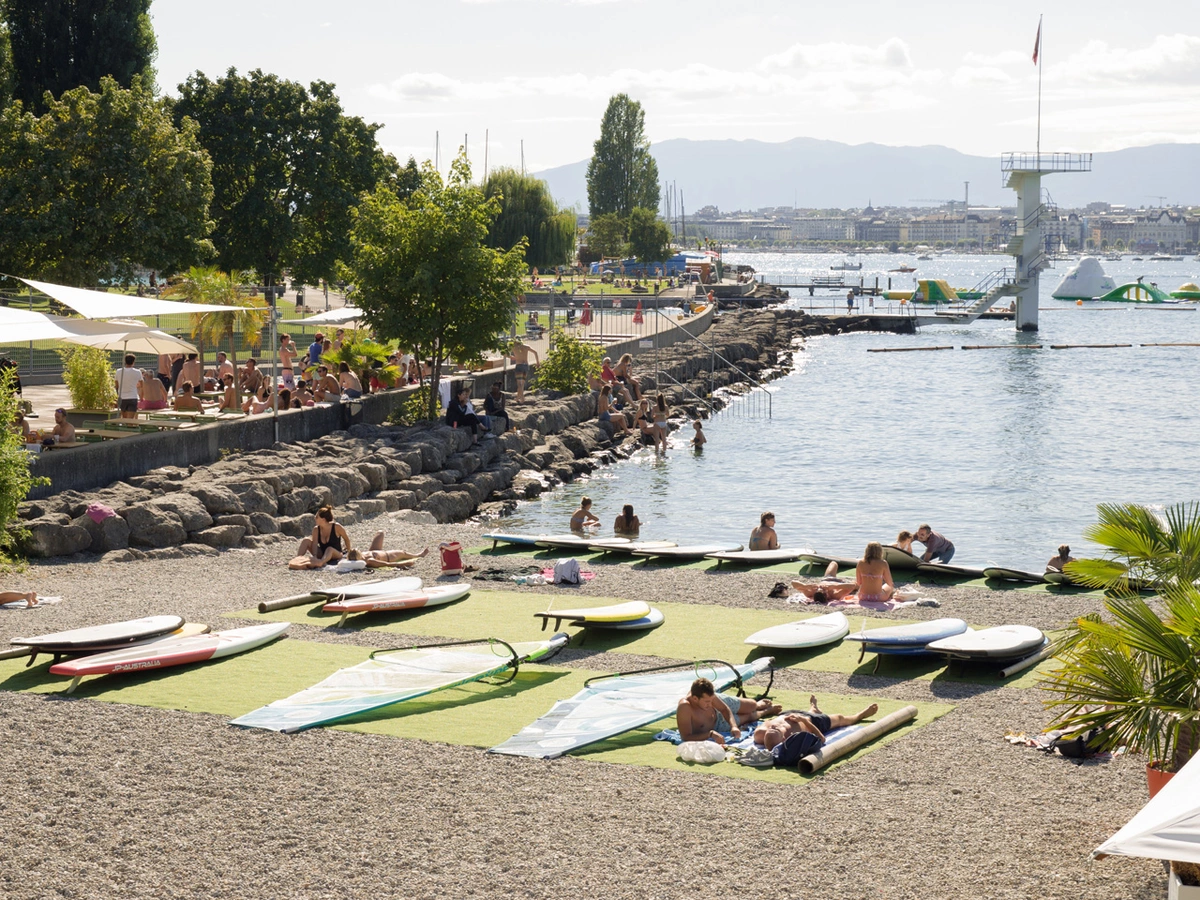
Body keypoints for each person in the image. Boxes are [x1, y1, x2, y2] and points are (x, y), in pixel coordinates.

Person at [676, 677, 782, 746]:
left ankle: (758, 705)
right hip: (717, 725)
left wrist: (733, 726)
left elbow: (723, 709)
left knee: (751, 705)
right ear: (695, 699)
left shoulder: (709, 698)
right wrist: (710, 734)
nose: (710, 704)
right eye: (707, 702)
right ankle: (766, 711)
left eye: (712, 700)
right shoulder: (685, 707)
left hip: (720, 708)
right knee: (748, 717)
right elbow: (686, 737)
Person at [753, 696, 879, 750]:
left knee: (810, 712)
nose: (773, 726)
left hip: (788, 713)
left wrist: (770, 712)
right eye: (776, 730)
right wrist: (803, 720)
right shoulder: (794, 739)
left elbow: (767, 724)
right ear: (783, 739)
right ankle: (859, 715)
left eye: (771, 728)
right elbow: (821, 739)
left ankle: (813, 708)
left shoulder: (760, 734)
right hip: (814, 722)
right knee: (840, 719)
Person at [345, 533, 429, 569]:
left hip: (374, 551)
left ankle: (418, 555)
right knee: (403, 553)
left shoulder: (362, 556)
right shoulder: (370, 561)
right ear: (358, 557)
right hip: (388, 556)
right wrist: (405, 563)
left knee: (380, 533)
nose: (356, 549)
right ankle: (418, 555)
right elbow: (387, 564)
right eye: (356, 551)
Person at [791, 561, 857, 602]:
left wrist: (805, 586)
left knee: (833, 563)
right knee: (858, 583)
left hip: (828, 578)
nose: (820, 587)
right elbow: (852, 586)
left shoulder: (810, 593)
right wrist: (834, 586)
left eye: (818, 588)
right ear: (827, 595)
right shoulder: (835, 595)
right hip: (841, 584)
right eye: (823, 589)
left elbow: (793, 583)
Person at [114, 353, 141, 419]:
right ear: (133, 362)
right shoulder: (137, 372)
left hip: (122, 397)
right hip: (132, 397)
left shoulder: (118, 371)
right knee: (130, 420)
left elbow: (116, 385)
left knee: (124, 419)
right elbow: (141, 385)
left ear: (125, 361)